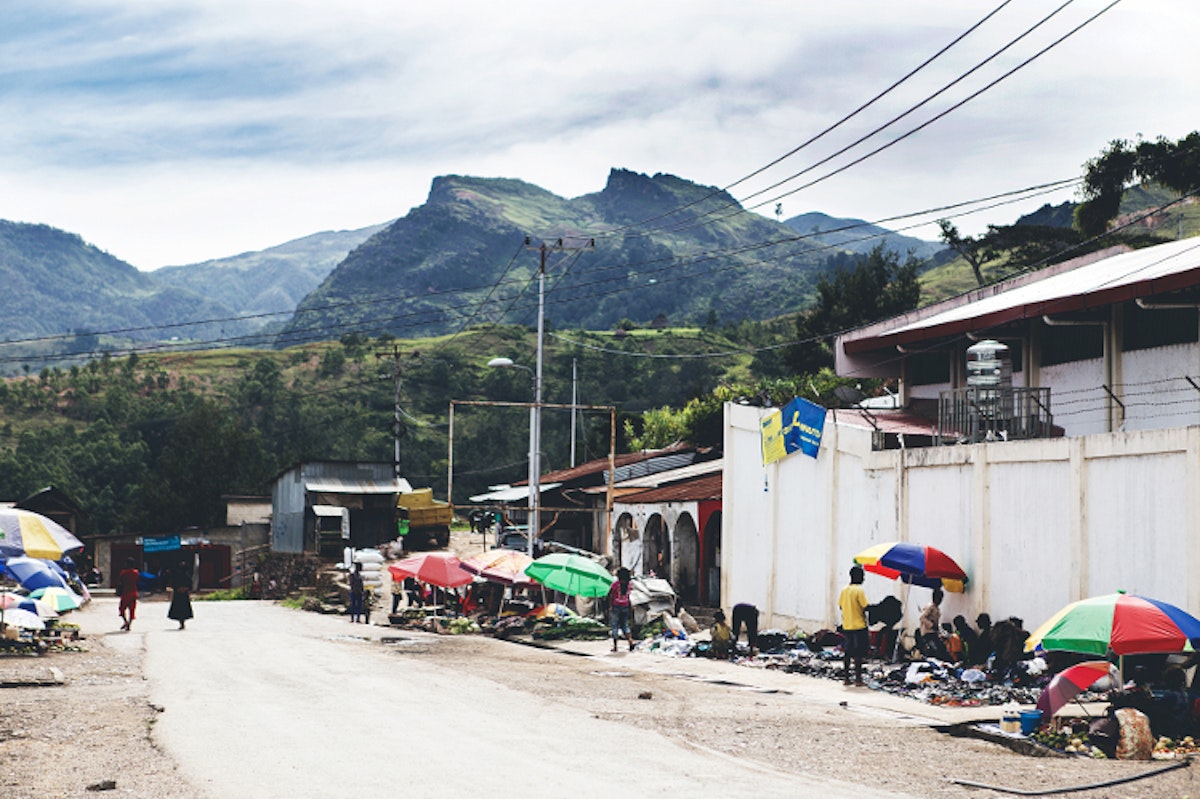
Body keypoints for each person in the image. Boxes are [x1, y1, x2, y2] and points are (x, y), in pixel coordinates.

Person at [838, 566, 870, 686]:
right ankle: (858, 679)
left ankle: (846, 678)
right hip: (859, 626)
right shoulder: (859, 590)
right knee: (858, 653)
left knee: (847, 652)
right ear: (856, 576)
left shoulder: (844, 590)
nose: (863, 579)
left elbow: (840, 606)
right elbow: (865, 606)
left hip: (847, 626)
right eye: (862, 576)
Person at [608, 567, 634, 652]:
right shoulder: (630, 584)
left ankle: (615, 646)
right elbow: (629, 596)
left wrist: (610, 606)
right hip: (625, 606)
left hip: (615, 606)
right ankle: (630, 641)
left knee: (614, 626)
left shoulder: (615, 584)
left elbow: (610, 595)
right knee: (625, 625)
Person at [918, 588, 949, 660]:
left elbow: (936, 622)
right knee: (939, 648)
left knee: (937, 650)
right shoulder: (930, 607)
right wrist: (931, 625)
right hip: (928, 633)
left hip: (933, 633)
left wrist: (940, 630)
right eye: (939, 598)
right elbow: (922, 618)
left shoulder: (936, 608)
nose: (940, 600)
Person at [167, 559, 194, 630]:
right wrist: (184, 589)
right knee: (183, 608)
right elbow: (190, 586)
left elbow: (173, 584)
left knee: (179, 609)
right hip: (183, 594)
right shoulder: (187, 576)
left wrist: (179, 589)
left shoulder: (177, 576)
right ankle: (182, 623)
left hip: (179, 594)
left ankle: (181, 623)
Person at [116, 558, 140, 631]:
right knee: (132, 609)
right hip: (133, 592)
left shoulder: (123, 572)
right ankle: (129, 624)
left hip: (125, 592)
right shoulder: (136, 572)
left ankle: (125, 621)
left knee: (122, 608)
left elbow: (120, 581)